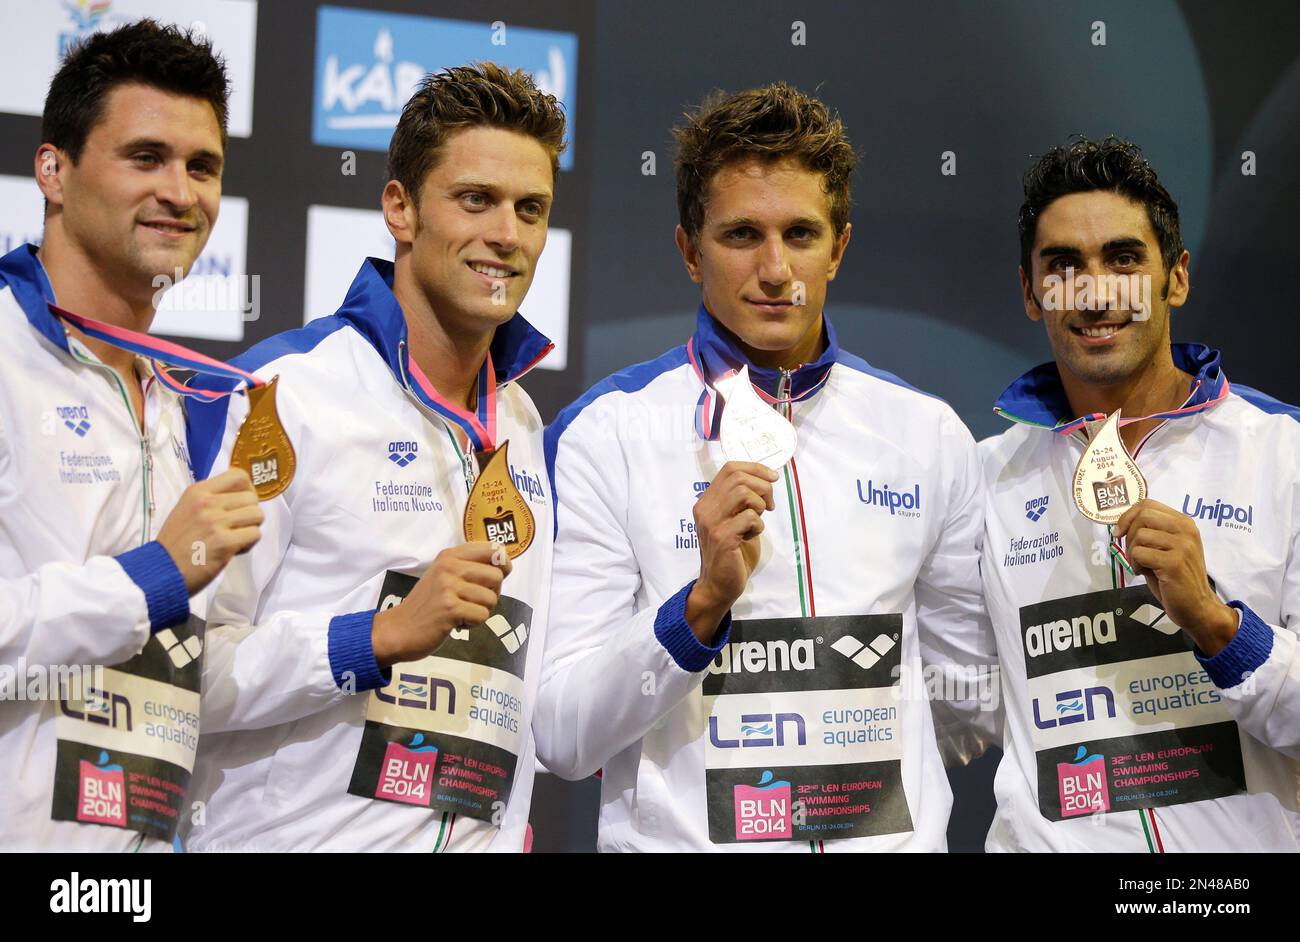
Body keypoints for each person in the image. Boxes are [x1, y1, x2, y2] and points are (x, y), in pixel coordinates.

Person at [536, 83, 997, 851]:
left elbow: (966, 700)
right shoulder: (606, 434)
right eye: (742, 234)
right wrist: (700, 607)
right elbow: (563, 733)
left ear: (839, 246)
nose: (777, 269)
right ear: (690, 251)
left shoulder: (928, 434)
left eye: (802, 234)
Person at [182, 63, 565, 852]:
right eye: (475, 200)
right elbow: (184, 671)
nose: (507, 234)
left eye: (531, 210)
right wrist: (373, 637)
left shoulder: (523, 420)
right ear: (399, 208)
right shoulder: (283, 394)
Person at [981, 135, 1300, 851]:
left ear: (1175, 278)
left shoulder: (1286, 454)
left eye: (1124, 259)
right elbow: (945, 699)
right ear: (1032, 294)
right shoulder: (983, 479)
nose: (1096, 292)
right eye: (1063, 266)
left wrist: (1220, 626)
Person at [0, 20, 262, 851]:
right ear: (54, 170)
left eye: (202, 167)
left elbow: (201, 668)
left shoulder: (193, 400)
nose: (181, 193)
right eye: (144, 158)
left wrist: (367, 640)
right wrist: (154, 573)